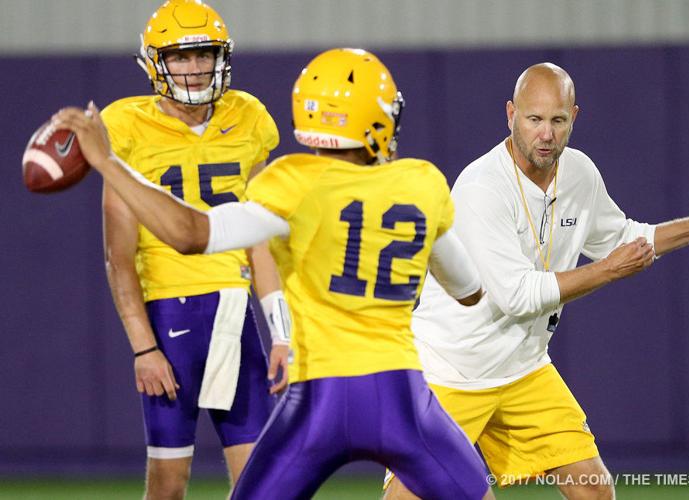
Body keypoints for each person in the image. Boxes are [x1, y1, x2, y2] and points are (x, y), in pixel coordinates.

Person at [55, 48, 496, 499]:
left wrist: (109, 163)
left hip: (318, 403)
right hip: (402, 398)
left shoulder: (292, 182)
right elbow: (469, 291)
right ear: (378, 118)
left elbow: (189, 233)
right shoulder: (421, 183)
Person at [384, 62, 689, 500]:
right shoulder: (481, 187)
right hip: (447, 371)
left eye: (557, 120)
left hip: (522, 369)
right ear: (511, 114)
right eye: (534, 119)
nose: (545, 134)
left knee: (594, 491)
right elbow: (516, 296)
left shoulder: (580, 174)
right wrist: (607, 269)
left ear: (575, 117)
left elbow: (622, 237)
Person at [99, 1, 289, 498]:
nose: (194, 67)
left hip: (234, 308)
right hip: (170, 315)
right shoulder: (124, 126)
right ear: (153, 63)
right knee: (168, 481)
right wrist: (143, 346)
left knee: (258, 480)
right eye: (180, 57)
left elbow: (259, 240)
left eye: (203, 54)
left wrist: (282, 332)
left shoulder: (248, 116)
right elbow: (118, 257)